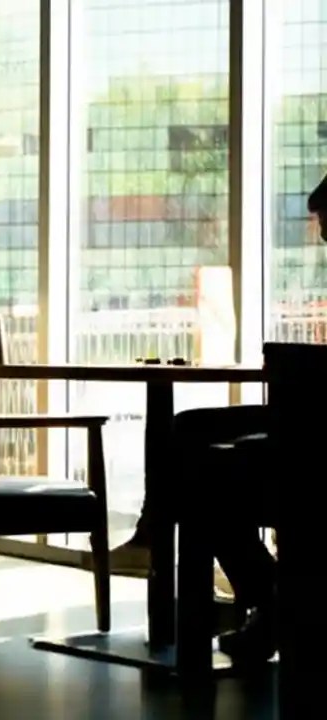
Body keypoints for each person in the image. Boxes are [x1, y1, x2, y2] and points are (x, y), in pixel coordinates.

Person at [180, 173, 327, 663]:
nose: (323, 240)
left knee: (202, 470)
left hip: (315, 429)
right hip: (311, 420)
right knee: (189, 431)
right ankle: (274, 605)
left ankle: (271, 604)